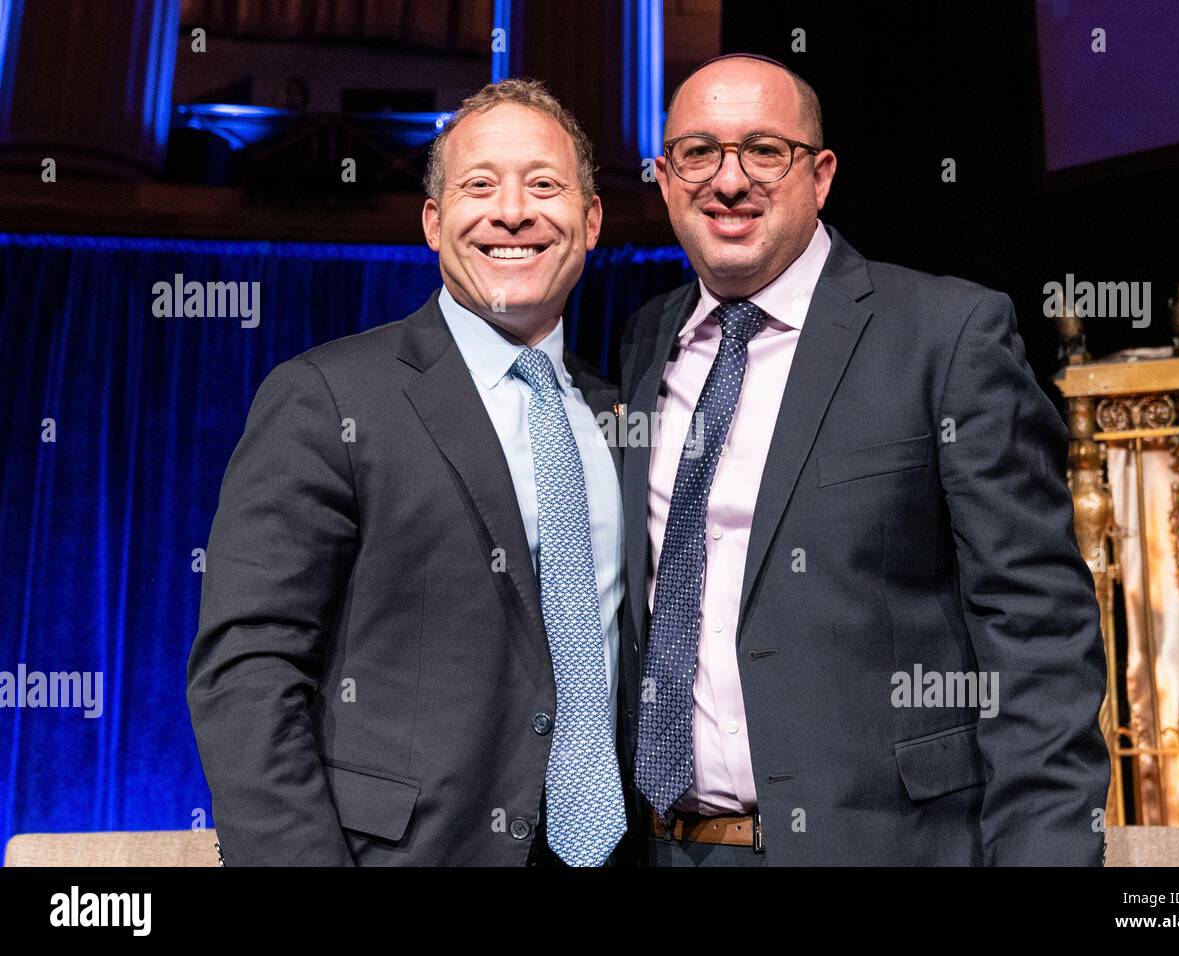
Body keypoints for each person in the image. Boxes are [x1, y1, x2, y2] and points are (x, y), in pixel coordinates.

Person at [620, 53, 1110, 866]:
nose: (729, 180)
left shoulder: (947, 335)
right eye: (699, 153)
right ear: (667, 180)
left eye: (764, 150)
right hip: (676, 851)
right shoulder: (645, 342)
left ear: (821, 174)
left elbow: (1039, 636)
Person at [187, 79, 635, 866]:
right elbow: (249, 670)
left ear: (591, 220)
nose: (513, 212)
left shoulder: (623, 416)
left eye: (544, 184)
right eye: (479, 185)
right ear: (433, 222)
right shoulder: (326, 396)